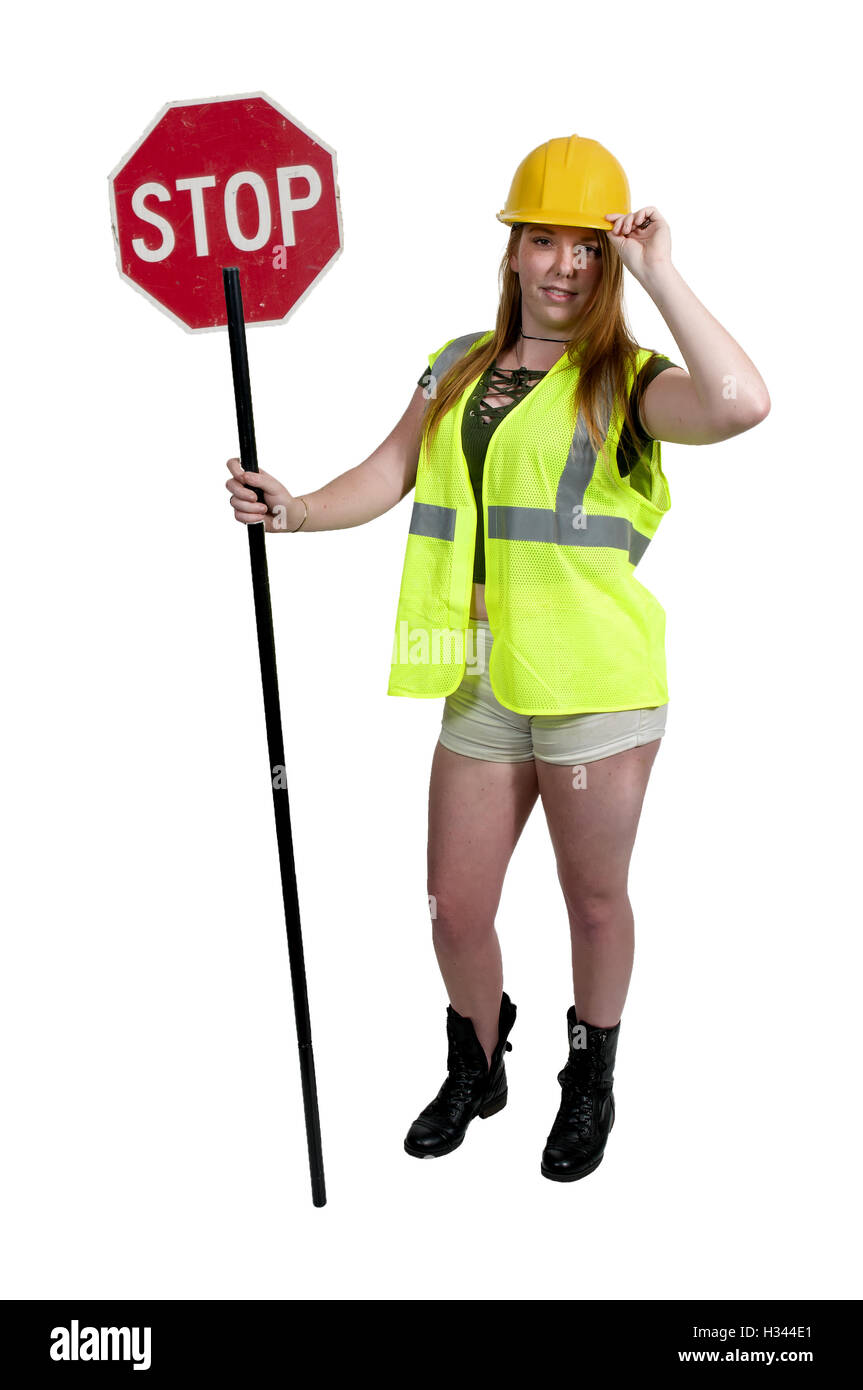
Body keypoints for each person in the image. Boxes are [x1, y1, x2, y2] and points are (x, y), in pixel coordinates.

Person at [225, 135, 770, 1183]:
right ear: (511, 249)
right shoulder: (455, 361)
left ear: (608, 261)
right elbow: (385, 474)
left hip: (592, 686)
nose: (564, 264)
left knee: (592, 898)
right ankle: (477, 1061)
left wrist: (661, 272)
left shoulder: (631, 378)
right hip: (476, 674)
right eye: (542, 240)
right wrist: (290, 511)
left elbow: (741, 404)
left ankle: (589, 1077)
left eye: (585, 246)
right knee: (453, 906)